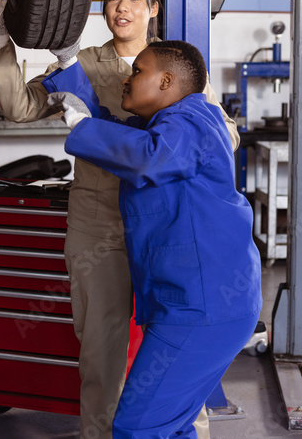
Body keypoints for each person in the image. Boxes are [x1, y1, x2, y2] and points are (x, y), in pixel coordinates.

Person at [0, 0, 239, 439]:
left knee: (173, 351)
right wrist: (0, 44)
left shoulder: (175, 67)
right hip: (99, 227)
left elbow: (221, 132)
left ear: (153, 8)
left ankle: (188, 431)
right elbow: (19, 106)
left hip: (164, 233)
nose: (122, 8)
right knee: (101, 353)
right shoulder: (82, 64)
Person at [42, 40, 262, 439]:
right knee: (171, 426)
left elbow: (149, 156)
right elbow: (109, 125)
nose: (128, 77)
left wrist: (82, 127)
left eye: (137, 71)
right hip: (192, 304)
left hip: (202, 308)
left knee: (137, 426)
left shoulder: (192, 119)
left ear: (166, 81)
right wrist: (69, 61)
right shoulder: (165, 125)